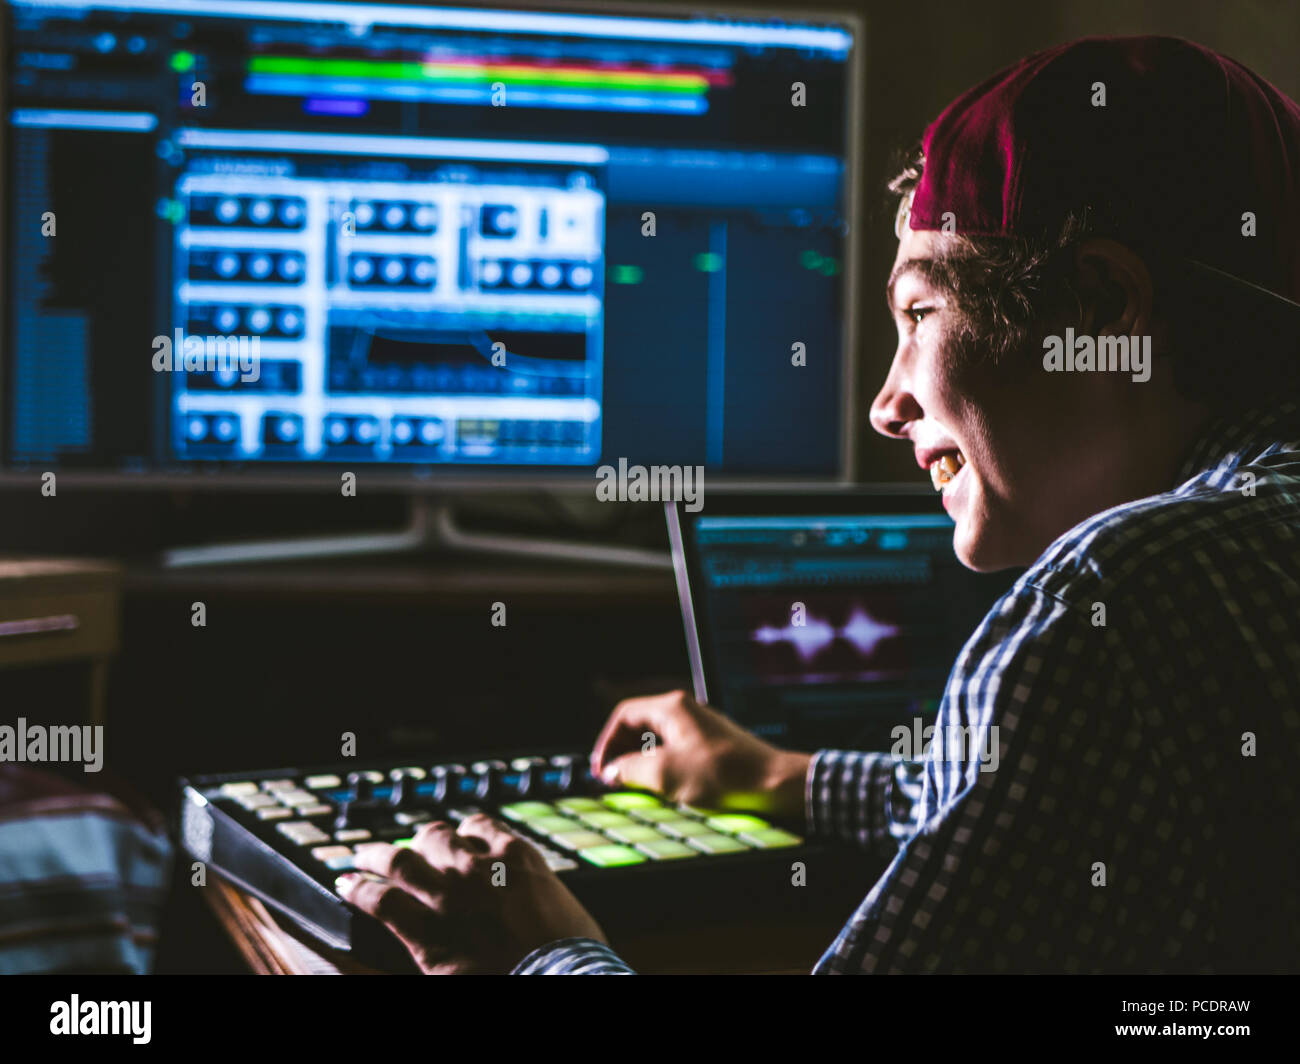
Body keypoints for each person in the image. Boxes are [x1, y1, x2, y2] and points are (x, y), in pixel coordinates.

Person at [337, 35, 1300, 974]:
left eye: (921, 313)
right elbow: (1050, 792)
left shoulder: (1120, 596)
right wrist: (773, 777)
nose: (885, 407)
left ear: (1099, 307)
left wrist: (542, 954)